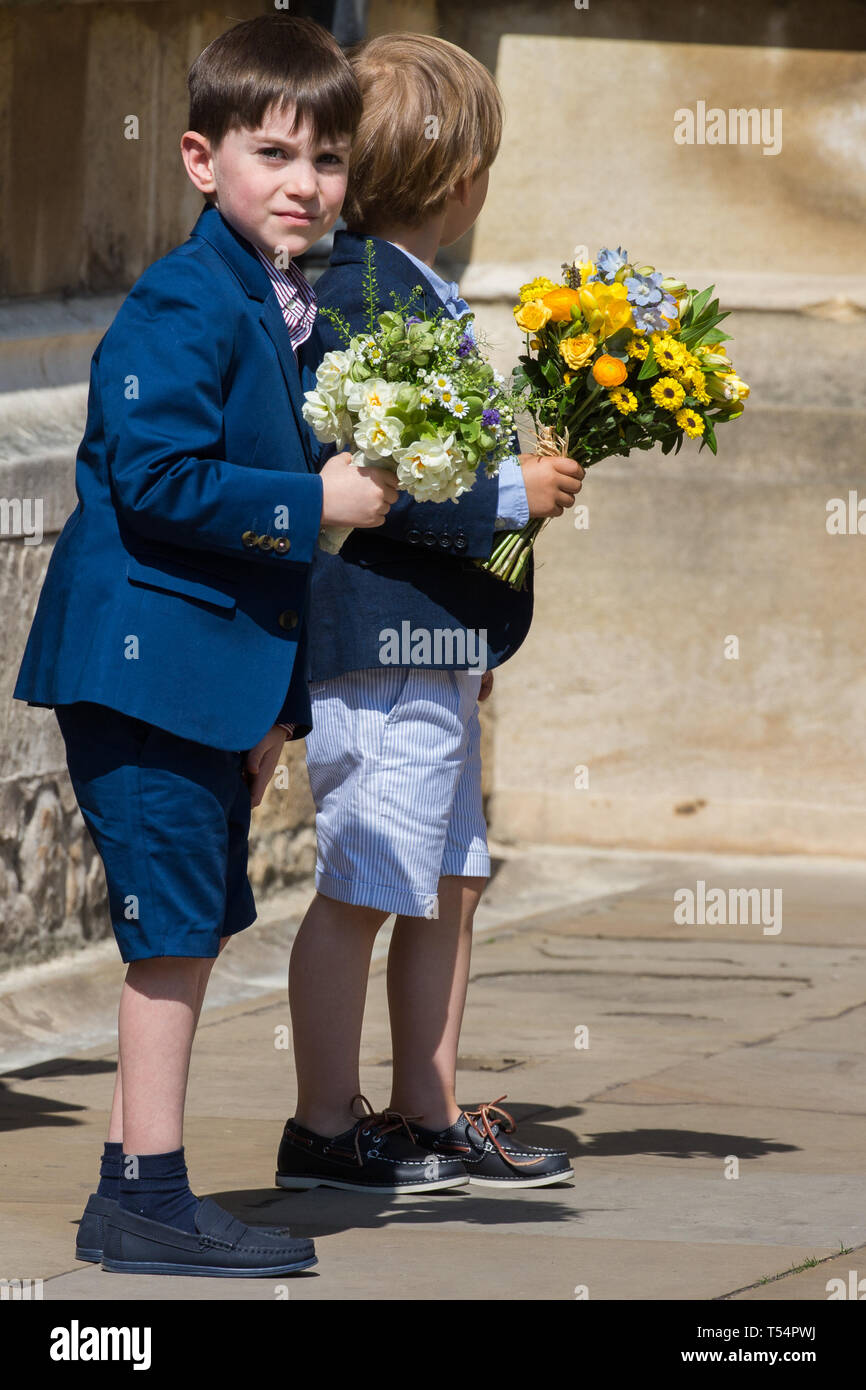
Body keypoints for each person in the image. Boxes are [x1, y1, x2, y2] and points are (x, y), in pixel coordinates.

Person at [13, 13, 396, 1276]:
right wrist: (316, 500)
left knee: (188, 922)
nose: (304, 184)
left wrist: (274, 712)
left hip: (205, 685)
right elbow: (161, 475)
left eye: (328, 162)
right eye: (274, 153)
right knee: (169, 935)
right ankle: (150, 1200)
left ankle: (132, 1183)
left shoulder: (272, 302)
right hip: (141, 672)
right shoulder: (184, 299)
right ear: (198, 158)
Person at [276, 33, 582, 1194]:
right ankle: (320, 1121)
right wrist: (512, 490)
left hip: (431, 642)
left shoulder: (409, 289)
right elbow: (374, 474)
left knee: (450, 877)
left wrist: (471, 634)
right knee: (363, 880)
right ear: (463, 184)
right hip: (377, 639)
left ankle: (424, 1105)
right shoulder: (354, 294)